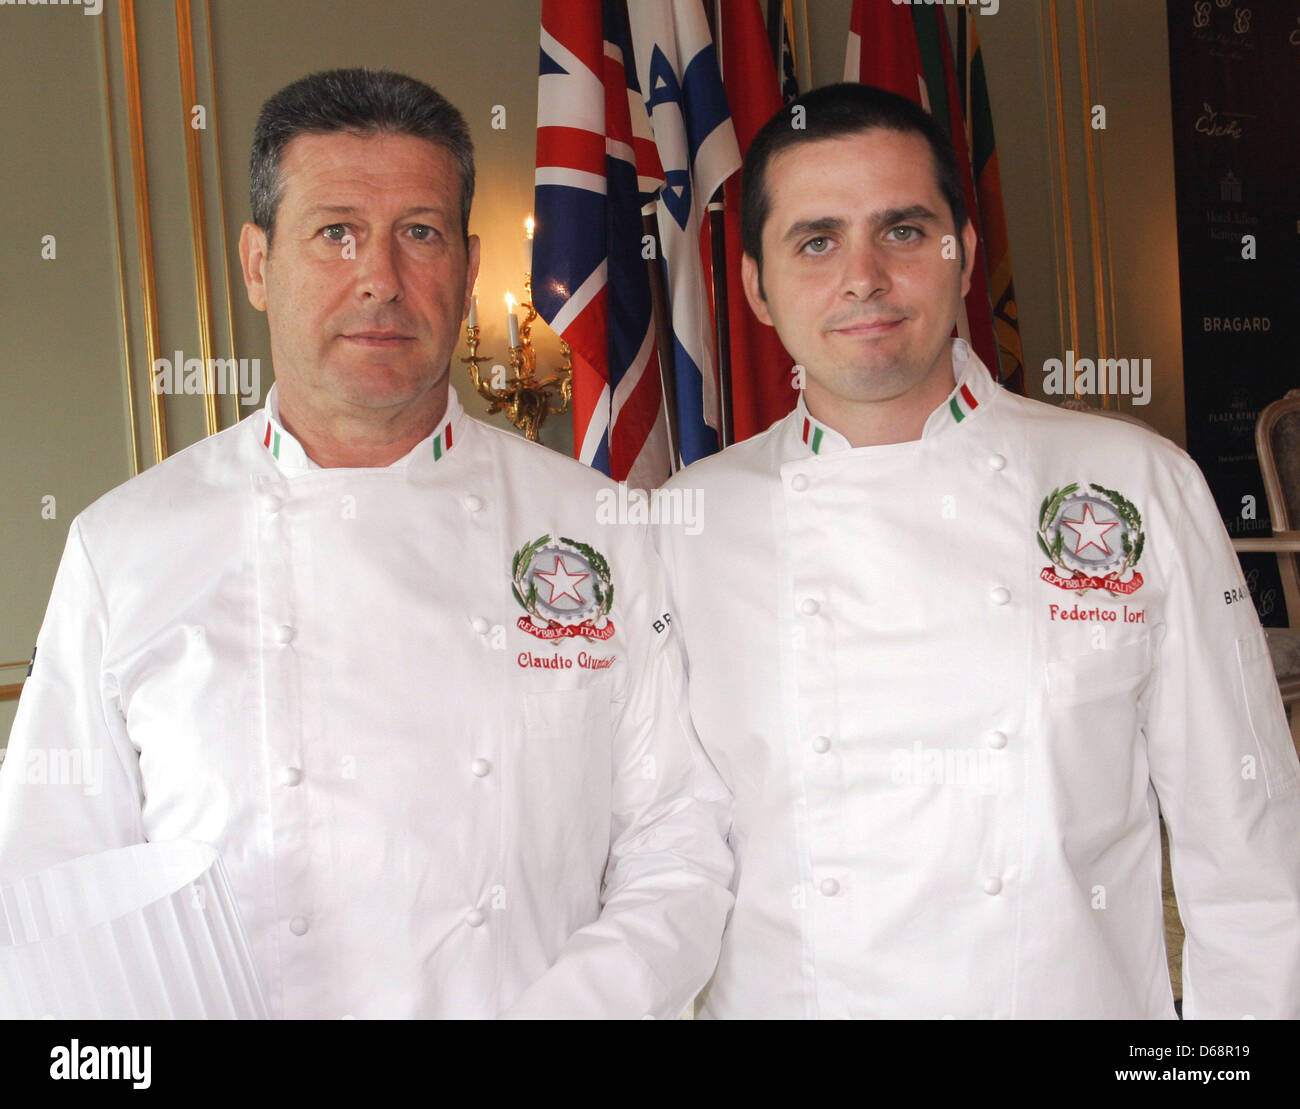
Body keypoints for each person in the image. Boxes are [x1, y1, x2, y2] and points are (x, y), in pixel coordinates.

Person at [0, 68, 733, 1020]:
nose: (380, 278)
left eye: (418, 233)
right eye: (335, 231)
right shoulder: (124, 548)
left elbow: (677, 837)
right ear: (257, 264)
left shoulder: (593, 527)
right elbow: (55, 891)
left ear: (469, 268)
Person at [655, 82, 1300, 1019]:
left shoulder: (1132, 483)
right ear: (756, 284)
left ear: (964, 255)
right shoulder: (684, 526)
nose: (864, 277)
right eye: (817, 240)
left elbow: (1249, 850)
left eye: (905, 230)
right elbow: (666, 855)